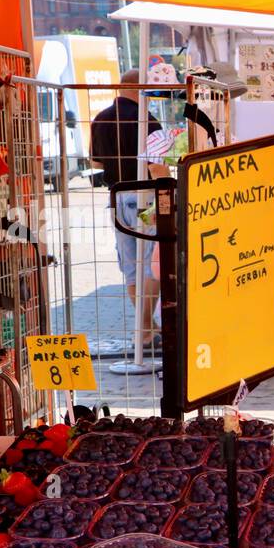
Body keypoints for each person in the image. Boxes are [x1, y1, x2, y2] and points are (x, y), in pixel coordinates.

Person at [90, 69, 162, 343]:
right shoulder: (147, 119)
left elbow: (96, 163)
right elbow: (157, 166)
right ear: (139, 88)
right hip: (145, 196)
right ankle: (145, 329)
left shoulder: (100, 118)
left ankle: (146, 328)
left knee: (131, 265)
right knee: (152, 263)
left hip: (117, 196)